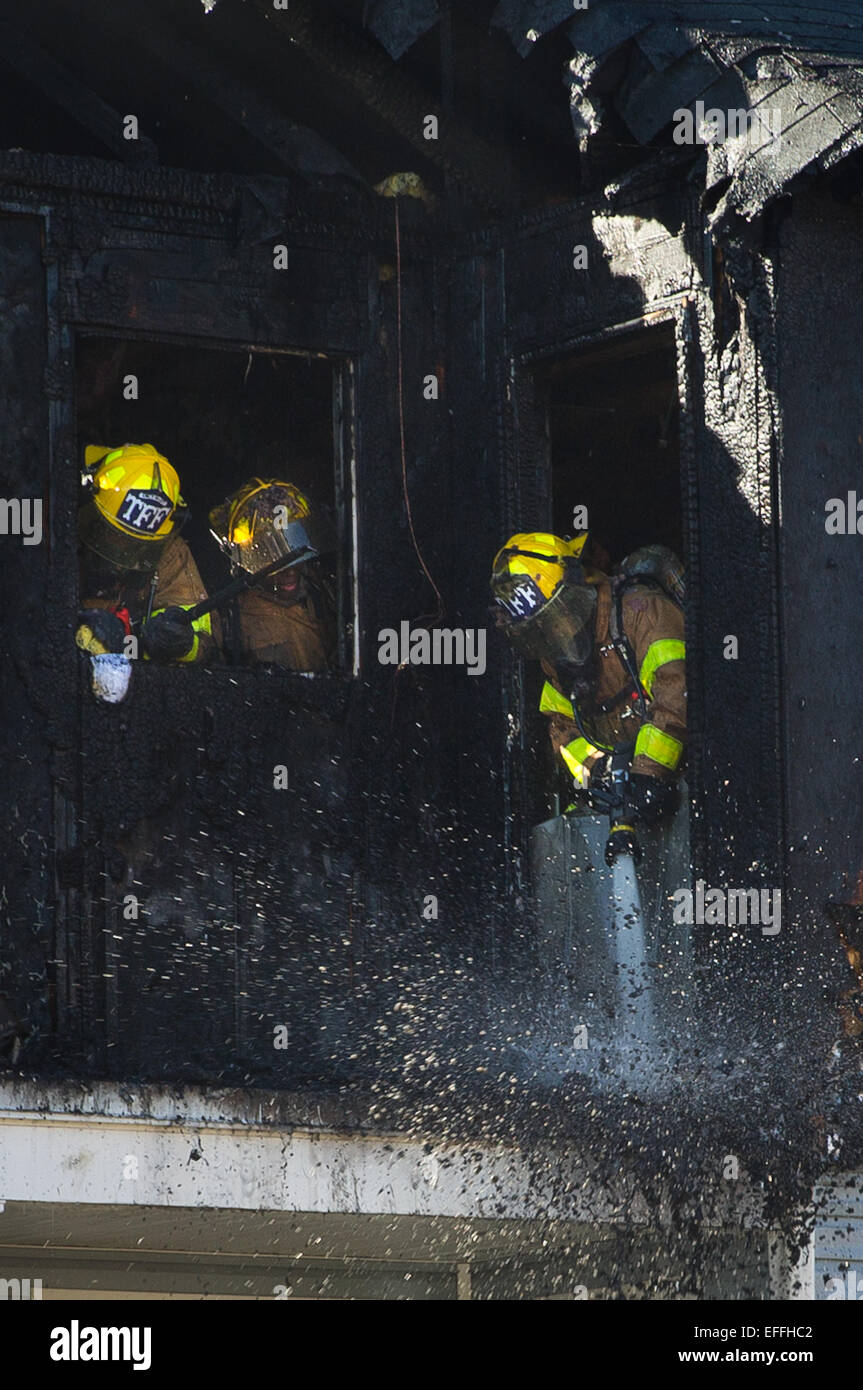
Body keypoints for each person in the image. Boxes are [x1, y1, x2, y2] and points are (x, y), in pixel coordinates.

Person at [490, 532, 686, 828]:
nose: (554, 638)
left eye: (555, 621)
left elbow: (675, 690)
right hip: (631, 809)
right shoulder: (556, 664)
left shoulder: (641, 615)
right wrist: (600, 774)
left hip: (688, 791)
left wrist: (649, 773)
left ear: (575, 591)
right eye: (540, 632)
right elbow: (564, 730)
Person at [76, 443, 215, 663]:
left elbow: (204, 641)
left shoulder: (171, 552)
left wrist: (183, 644)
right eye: (112, 534)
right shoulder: (55, 524)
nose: (122, 550)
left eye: (136, 544)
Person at [208, 477, 336, 670]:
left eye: (297, 556)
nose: (290, 570)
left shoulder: (326, 593)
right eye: (272, 561)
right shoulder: (231, 617)